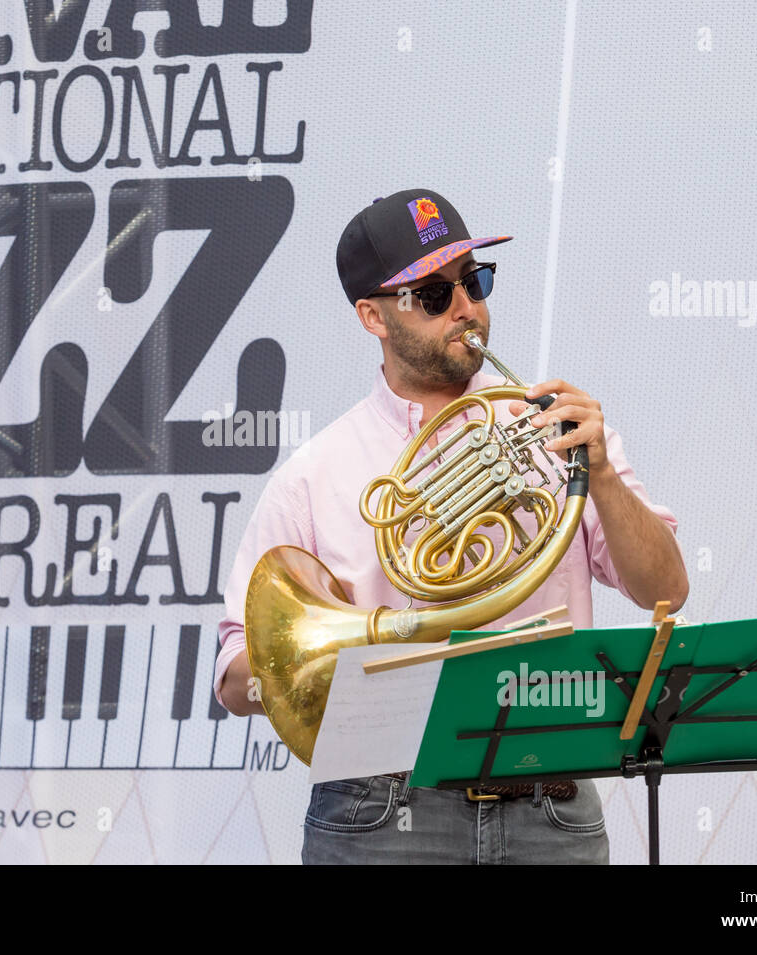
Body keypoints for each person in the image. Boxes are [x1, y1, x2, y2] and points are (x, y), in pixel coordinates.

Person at [212, 189, 688, 864]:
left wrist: (603, 472)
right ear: (372, 315)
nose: (467, 308)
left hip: (549, 801)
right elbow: (237, 676)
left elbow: (665, 588)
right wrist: (332, 660)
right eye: (434, 294)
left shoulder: (561, 434)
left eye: (475, 280)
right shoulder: (312, 476)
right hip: (382, 810)